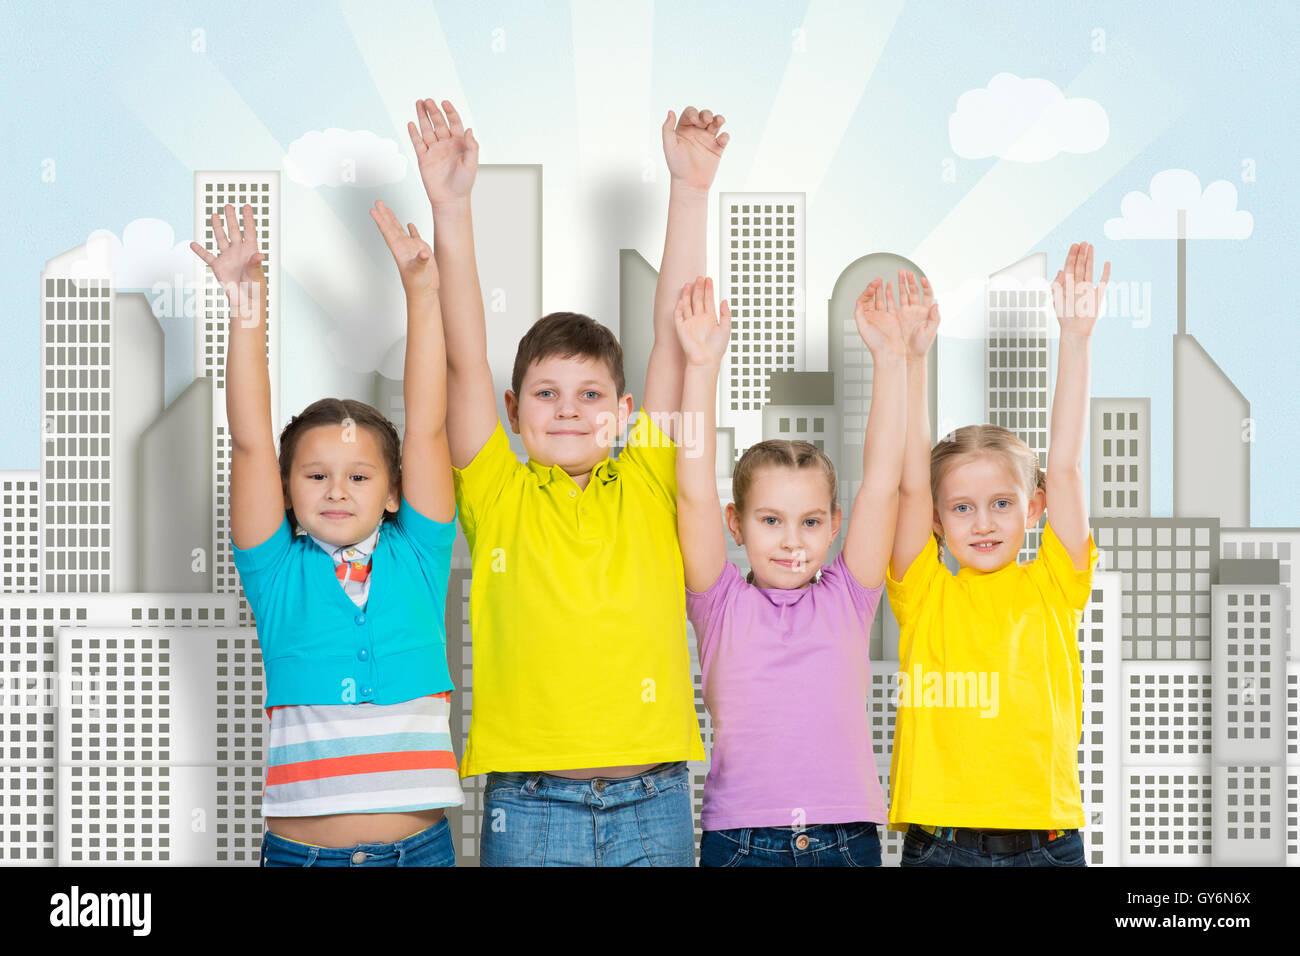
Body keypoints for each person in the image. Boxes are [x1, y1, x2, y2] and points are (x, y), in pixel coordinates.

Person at [414, 97, 727, 865]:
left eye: (590, 395)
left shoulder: (651, 474)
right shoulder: (496, 490)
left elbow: (675, 344)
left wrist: (689, 193)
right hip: (528, 803)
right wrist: (451, 208)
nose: (568, 410)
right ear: (514, 411)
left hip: (654, 799)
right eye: (547, 394)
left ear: (623, 413)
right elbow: (463, 355)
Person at [191, 199, 462, 867]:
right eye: (315, 476)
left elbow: (427, 425)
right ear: (286, 493)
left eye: (360, 477)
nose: (337, 490)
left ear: (394, 491)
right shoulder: (277, 571)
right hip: (300, 856)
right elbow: (252, 442)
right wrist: (246, 304)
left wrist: (422, 293)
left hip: (420, 853)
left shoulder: (420, 554)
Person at [886, 246, 1110, 866]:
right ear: (937, 519)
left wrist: (1075, 336)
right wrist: (911, 359)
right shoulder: (924, 588)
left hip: (1048, 844)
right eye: (961, 508)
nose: (982, 523)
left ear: (1034, 508)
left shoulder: (1055, 584)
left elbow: (1063, 466)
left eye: (1001, 504)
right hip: (941, 846)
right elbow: (908, 483)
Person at [674, 274, 907, 866]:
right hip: (741, 842)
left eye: (809, 522)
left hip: (845, 841)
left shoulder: (848, 596)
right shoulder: (718, 600)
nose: (792, 542)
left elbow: (881, 486)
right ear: (737, 523)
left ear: (834, 524)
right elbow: (693, 492)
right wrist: (702, 365)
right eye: (770, 520)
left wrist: (891, 358)